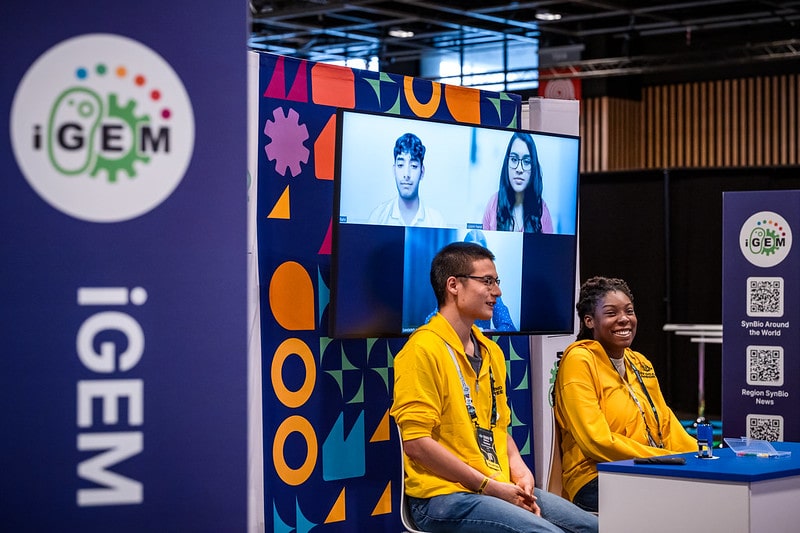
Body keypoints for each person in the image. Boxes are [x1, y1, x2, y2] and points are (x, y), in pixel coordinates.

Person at [391, 241, 598, 533]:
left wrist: (521, 472)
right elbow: (416, 444)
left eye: (496, 281)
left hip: (496, 486)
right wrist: (488, 486)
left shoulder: (491, 352)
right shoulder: (422, 349)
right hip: (443, 496)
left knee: (596, 526)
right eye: (487, 281)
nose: (497, 291)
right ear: (453, 285)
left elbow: (498, 429)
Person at [553, 276, 697, 513]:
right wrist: (664, 459)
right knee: (680, 505)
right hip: (596, 476)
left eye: (629, 311)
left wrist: (700, 457)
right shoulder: (579, 360)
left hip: (650, 468)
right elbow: (596, 441)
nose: (624, 319)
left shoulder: (639, 362)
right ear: (589, 320)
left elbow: (667, 423)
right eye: (611, 313)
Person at [368, 132, 445, 227]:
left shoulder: (436, 221)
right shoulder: (377, 218)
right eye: (400, 165)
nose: (406, 174)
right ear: (394, 170)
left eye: (413, 166)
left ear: (422, 172)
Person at [483, 132, 553, 233]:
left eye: (526, 161)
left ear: (533, 167)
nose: (519, 169)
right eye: (514, 159)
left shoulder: (542, 210)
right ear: (507, 163)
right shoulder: (493, 203)